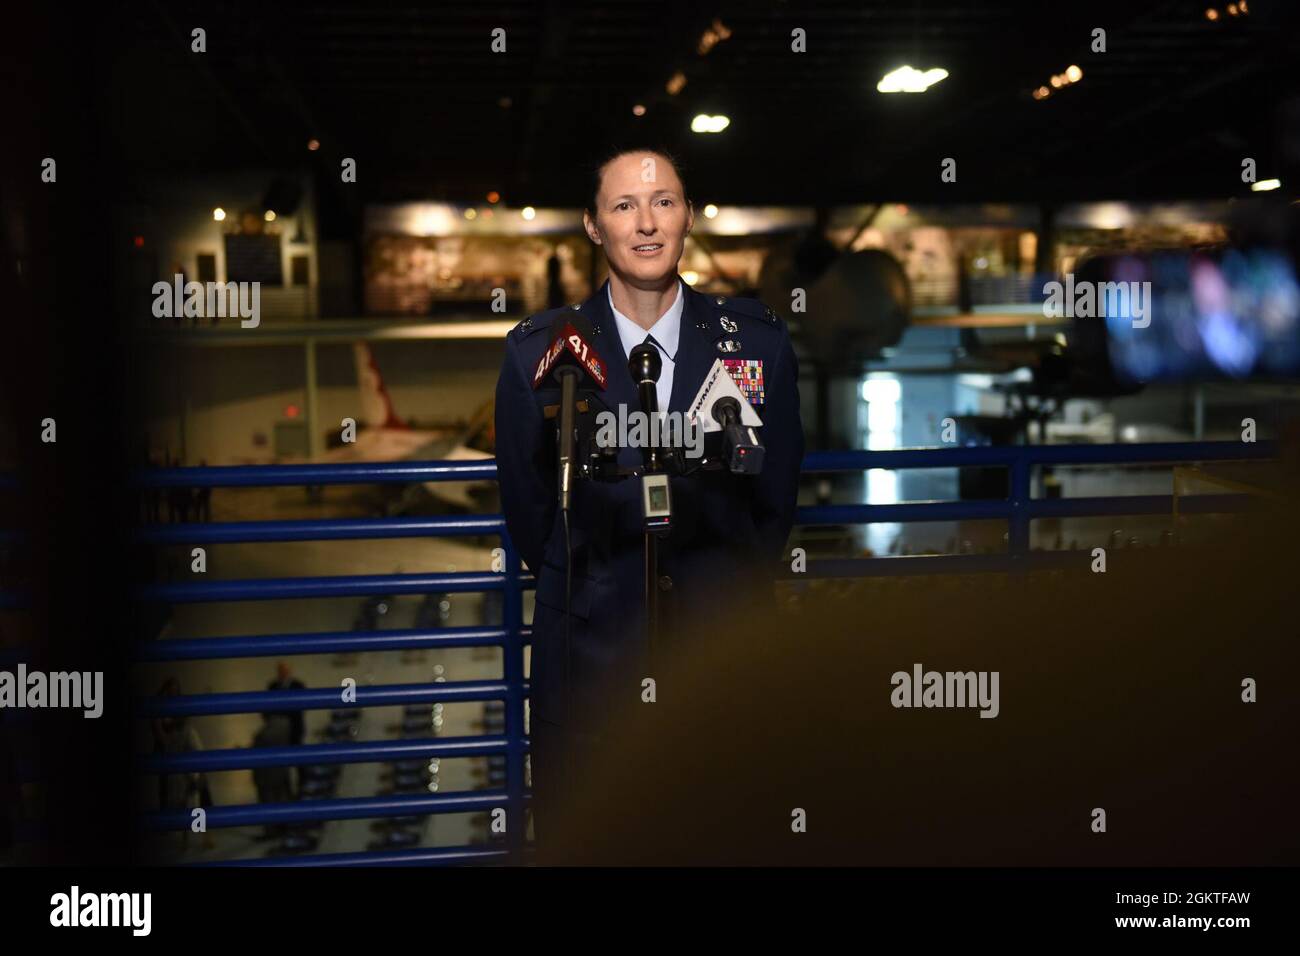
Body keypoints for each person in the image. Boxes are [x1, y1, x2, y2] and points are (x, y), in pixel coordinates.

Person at [493, 146, 804, 847]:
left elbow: (773, 502)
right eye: (624, 205)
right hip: (591, 673)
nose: (647, 222)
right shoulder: (538, 357)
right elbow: (531, 516)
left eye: (663, 201)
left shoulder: (755, 346)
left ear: (688, 216)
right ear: (593, 226)